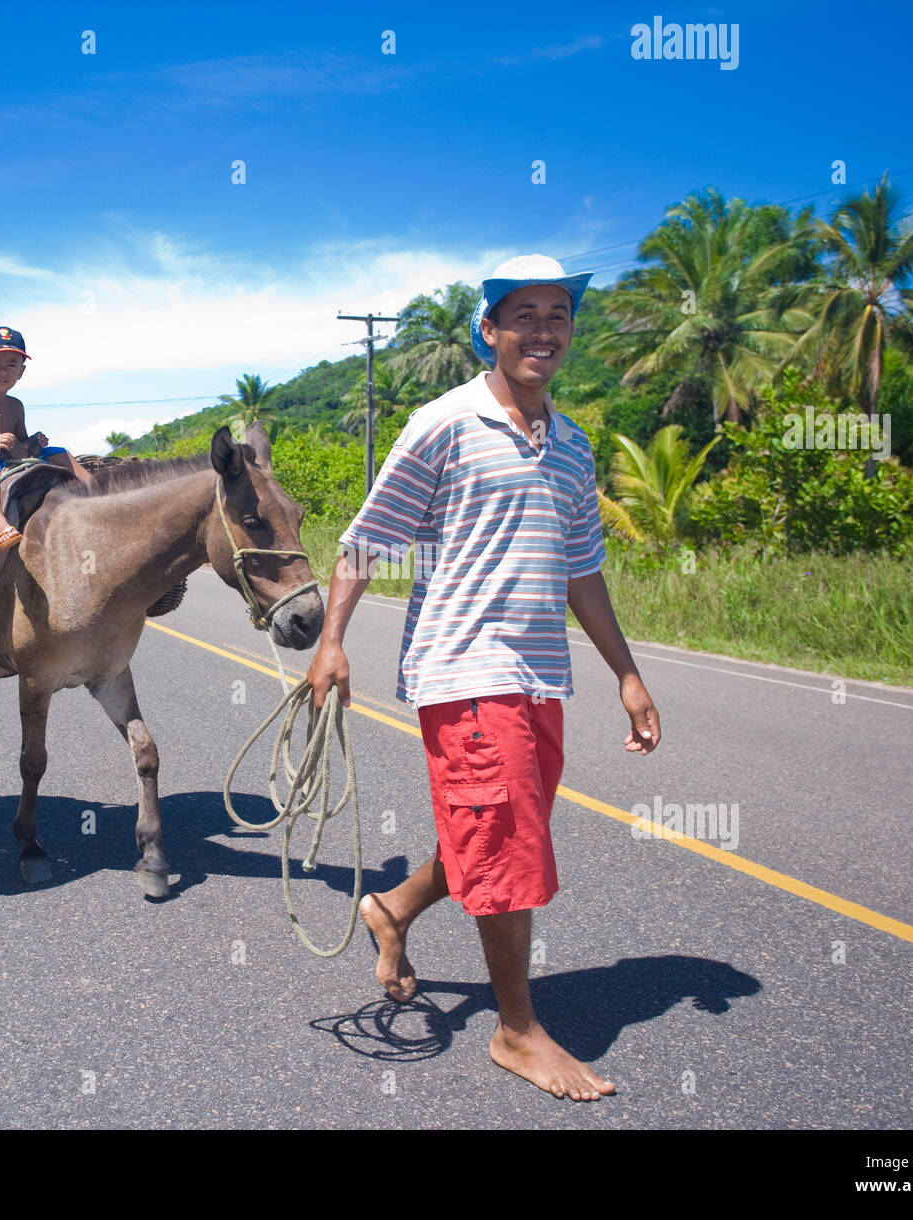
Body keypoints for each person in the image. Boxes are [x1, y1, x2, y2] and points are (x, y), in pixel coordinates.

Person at [306, 255, 662, 1102]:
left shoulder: (572, 448)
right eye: (524, 314)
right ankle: (516, 1031)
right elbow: (368, 539)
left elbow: (582, 572)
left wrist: (628, 674)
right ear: (490, 330)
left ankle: (390, 909)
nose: (544, 329)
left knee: (495, 831)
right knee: (504, 839)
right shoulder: (444, 422)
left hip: (540, 674)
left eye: (560, 315)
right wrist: (331, 641)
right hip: (462, 668)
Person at [0, 326, 95, 548]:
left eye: (11, 365)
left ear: (21, 372)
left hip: (10, 461)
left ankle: (97, 492)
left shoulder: (16, 405)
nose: (3, 371)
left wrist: (35, 442)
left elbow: (21, 445)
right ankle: (1, 527)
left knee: (60, 453)